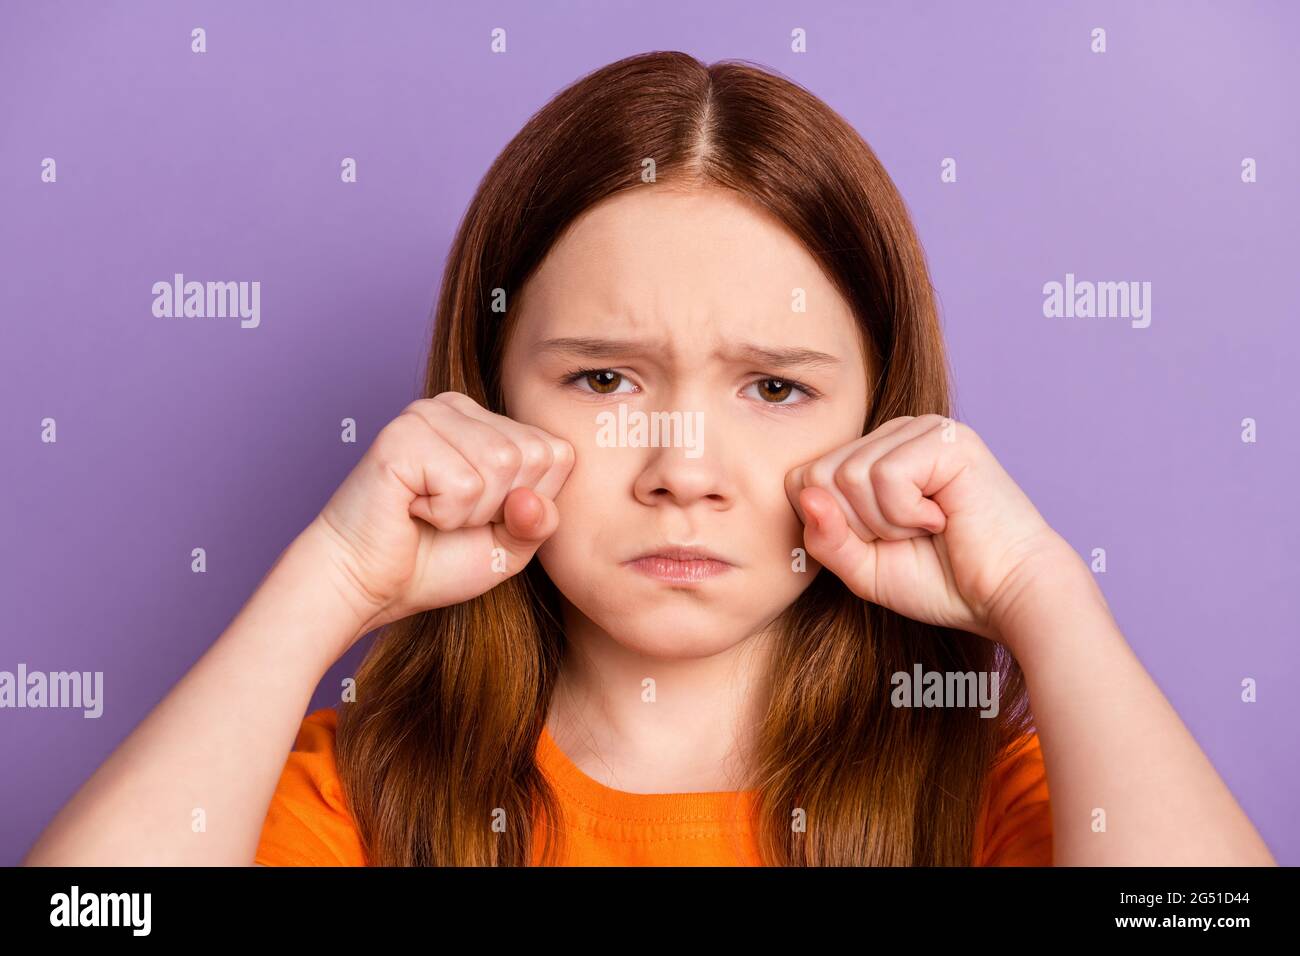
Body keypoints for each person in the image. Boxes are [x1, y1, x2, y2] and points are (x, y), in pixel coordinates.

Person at [22, 51, 1276, 867]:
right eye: (605, 378)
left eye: (775, 387)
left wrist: (1045, 595)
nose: (684, 467)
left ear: (883, 417)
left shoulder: (992, 791)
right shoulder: (360, 802)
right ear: (487, 399)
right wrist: (327, 580)